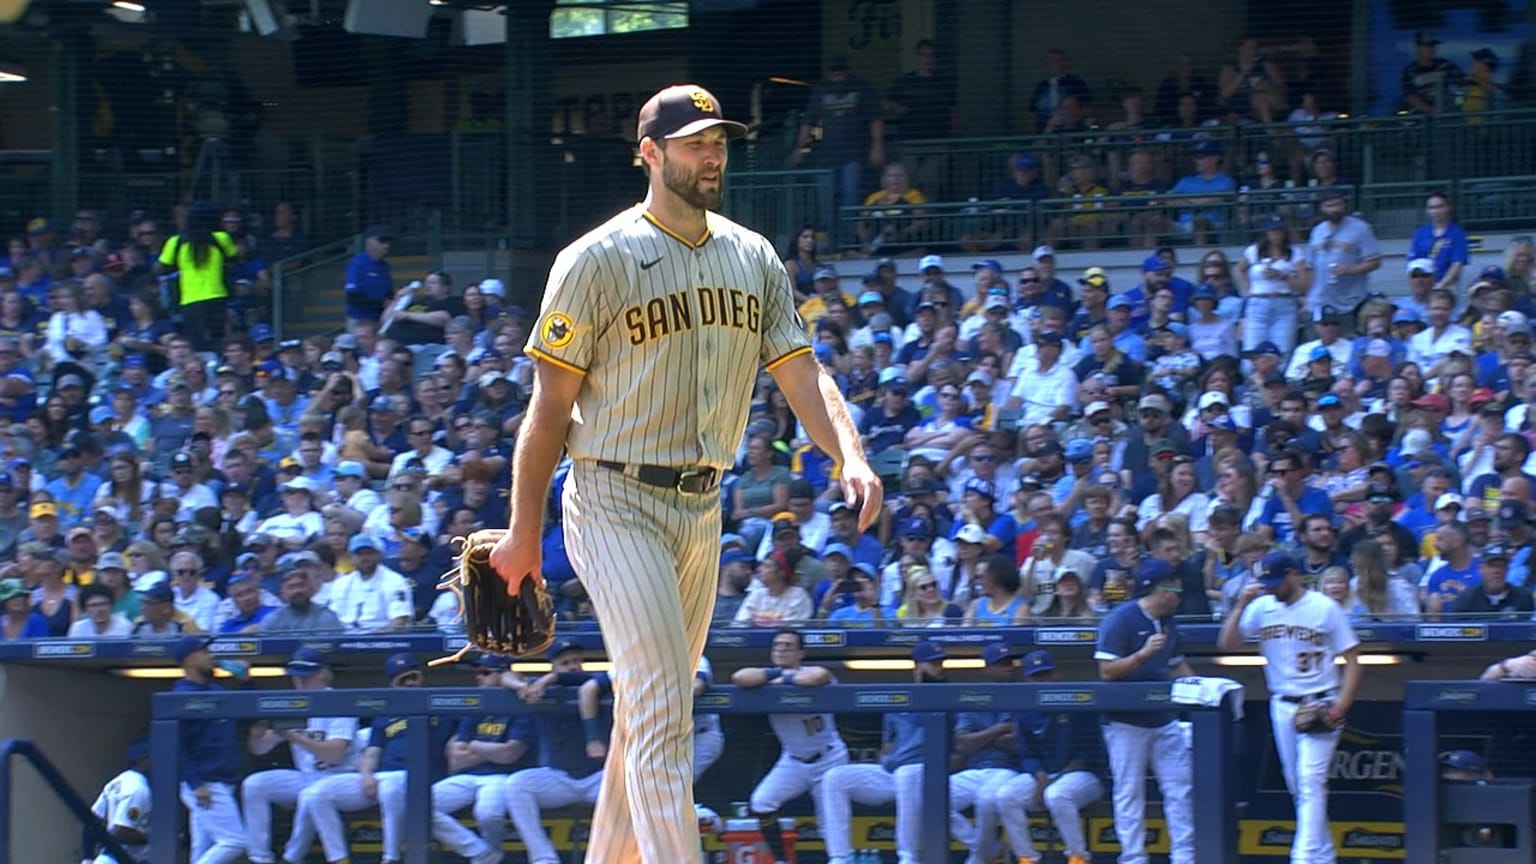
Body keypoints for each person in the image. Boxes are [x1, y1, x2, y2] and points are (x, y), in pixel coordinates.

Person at [488, 84, 881, 864]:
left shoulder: (752, 256)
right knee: (667, 707)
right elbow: (548, 410)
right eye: (695, 141)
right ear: (650, 153)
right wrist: (524, 532)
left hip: (702, 508)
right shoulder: (593, 260)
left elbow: (804, 375)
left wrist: (851, 454)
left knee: (644, 714)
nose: (712, 154)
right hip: (611, 495)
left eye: (720, 141)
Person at [1220, 552, 1362, 864]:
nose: (1271, 587)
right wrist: (1241, 605)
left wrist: (1341, 705)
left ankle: (1301, 857)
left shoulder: (1324, 607)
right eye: (1266, 582)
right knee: (1298, 787)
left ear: (1293, 574)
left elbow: (1353, 659)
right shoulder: (1261, 606)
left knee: (1311, 782)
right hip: (1282, 703)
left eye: (1276, 580)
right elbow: (1227, 644)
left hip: (1321, 700)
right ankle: (1323, 856)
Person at [299, 653, 448, 864]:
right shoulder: (385, 715)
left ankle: (391, 858)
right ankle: (339, 858)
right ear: (393, 684)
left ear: (421, 677)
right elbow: (372, 752)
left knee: (388, 789)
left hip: (416, 775)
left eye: (413, 677)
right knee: (316, 794)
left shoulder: (439, 707)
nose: (410, 683)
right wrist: (366, 775)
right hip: (383, 775)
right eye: (403, 680)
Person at [1094, 560, 1195, 864]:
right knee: (1129, 792)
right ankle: (1134, 857)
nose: (1180, 596)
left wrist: (1200, 689)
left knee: (1180, 787)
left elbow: (1177, 665)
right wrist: (1142, 654)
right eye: (1176, 589)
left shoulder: (1169, 622)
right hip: (1126, 722)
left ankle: (1185, 855)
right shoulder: (1120, 619)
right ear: (1163, 592)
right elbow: (1107, 671)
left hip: (1164, 719)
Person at [819, 641, 945, 864]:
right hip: (894, 773)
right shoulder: (899, 699)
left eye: (940, 663)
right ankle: (840, 856)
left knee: (906, 774)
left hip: (925, 771)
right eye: (933, 664)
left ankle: (908, 857)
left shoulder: (948, 695)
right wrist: (885, 762)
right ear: (917, 666)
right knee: (835, 778)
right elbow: (887, 747)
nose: (939, 668)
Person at [730, 629, 847, 864]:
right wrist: (777, 674)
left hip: (829, 758)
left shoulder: (811, 673)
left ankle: (840, 859)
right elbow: (739, 677)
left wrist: (787, 678)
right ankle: (782, 859)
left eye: (788, 646)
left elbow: (819, 676)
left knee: (829, 823)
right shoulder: (766, 677)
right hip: (793, 760)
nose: (781, 649)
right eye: (777, 646)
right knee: (761, 801)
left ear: (800, 652)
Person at [242, 648, 359, 864]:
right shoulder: (293, 704)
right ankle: (259, 858)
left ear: (323, 673)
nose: (300, 682)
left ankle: (291, 858)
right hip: (306, 777)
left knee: (311, 795)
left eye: (306, 675)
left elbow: (335, 754)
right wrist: (256, 735)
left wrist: (295, 738)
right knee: (254, 784)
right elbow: (260, 749)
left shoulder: (338, 703)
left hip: (339, 777)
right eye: (296, 676)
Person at [991, 649, 1104, 864]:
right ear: (1027, 679)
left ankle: (1078, 857)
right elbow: (1027, 753)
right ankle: (1027, 857)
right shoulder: (1025, 709)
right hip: (1046, 776)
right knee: (1005, 796)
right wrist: (1041, 776)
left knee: (1057, 794)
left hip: (1084, 776)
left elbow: (1089, 753)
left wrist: (1052, 780)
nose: (1043, 681)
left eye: (1046, 674)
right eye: (1036, 676)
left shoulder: (1078, 703)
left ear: (1057, 674)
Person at [503, 639, 608, 864]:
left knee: (635, 785)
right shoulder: (542, 687)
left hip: (599, 778)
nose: (573, 666)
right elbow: (506, 676)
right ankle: (544, 858)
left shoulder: (595, 682)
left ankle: (611, 856)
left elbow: (582, 679)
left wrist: (552, 678)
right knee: (517, 785)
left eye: (577, 661)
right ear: (553, 665)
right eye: (565, 662)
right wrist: (521, 686)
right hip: (559, 777)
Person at [431, 654, 531, 864]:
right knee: (418, 805)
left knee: (488, 815)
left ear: (502, 676)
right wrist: (492, 751)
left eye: (485, 673)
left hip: (503, 777)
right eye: (478, 673)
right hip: (467, 777)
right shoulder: (476, 704)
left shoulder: (520, 705)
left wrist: (474, 746)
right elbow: (455, 760)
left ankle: (487, 855)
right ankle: (483, 854)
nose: (479, 678)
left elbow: (510, 754)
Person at [170, 635, 246, 864]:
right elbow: (176, 746)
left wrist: (246, 682)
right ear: (191, 660)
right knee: (235, 841)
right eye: (204, 652)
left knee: (203, 846)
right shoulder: (181, 695)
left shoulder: (217, 690)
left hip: (221, 779)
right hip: (204, 783)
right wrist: (196, 783)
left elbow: (247, 712)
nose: (211, 656)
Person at [85, 739, 151, 864]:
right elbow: (121, 831)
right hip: (120, 859)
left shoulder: (118, 781)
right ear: (143, 760)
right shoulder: (138, 788)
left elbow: (91, 823)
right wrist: (155, 838)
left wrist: (87, 858)